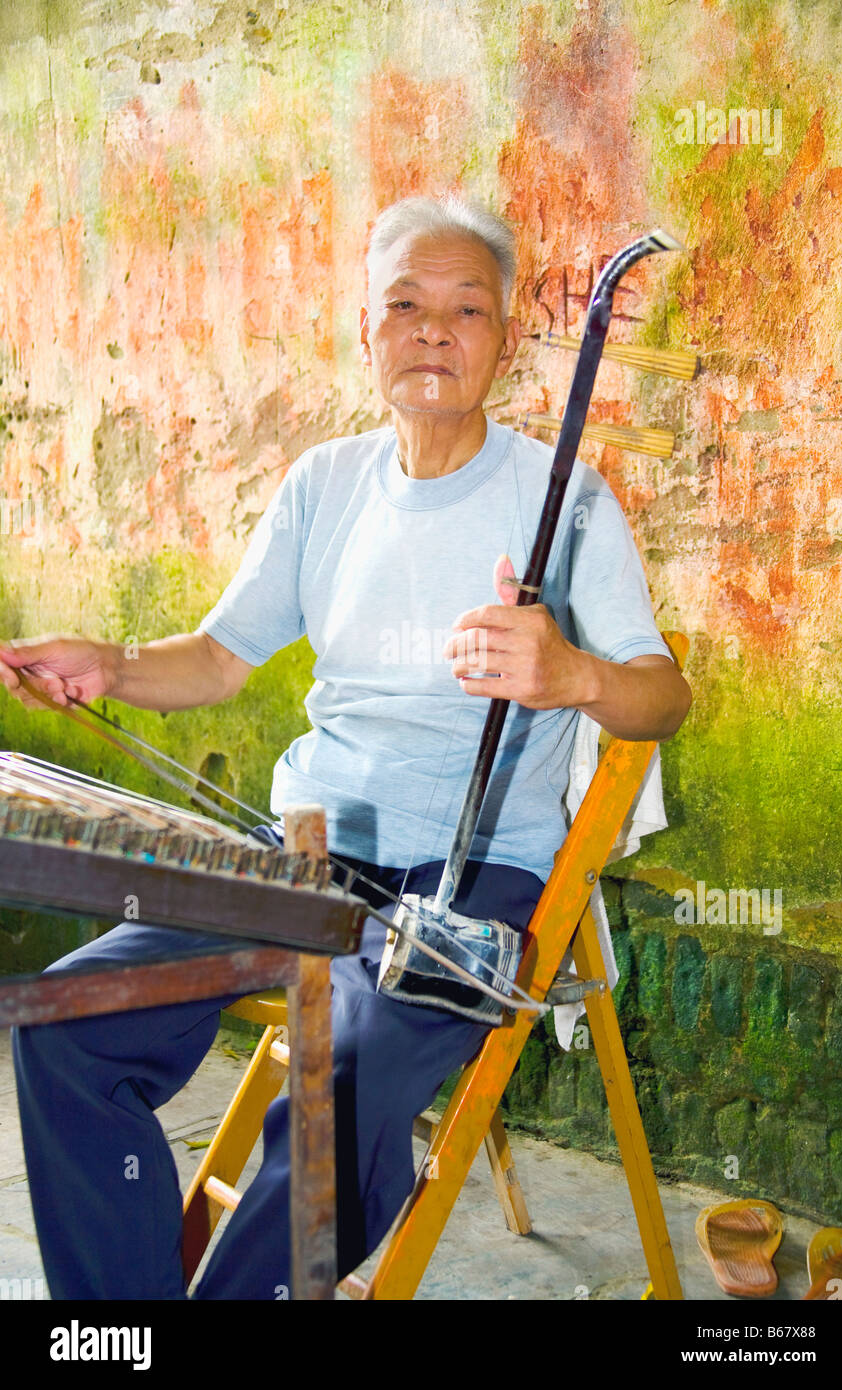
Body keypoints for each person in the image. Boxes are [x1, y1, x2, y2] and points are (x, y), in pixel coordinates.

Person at [0, 193, 691, 1299]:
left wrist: (575, 676)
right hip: (300, 862)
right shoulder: (324, 484)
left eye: (465, 309)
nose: (432, 330)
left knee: (342, 1086)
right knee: (65, 1029)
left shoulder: (562, 503)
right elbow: (221, 658)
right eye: (405, 305)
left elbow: (662, 696)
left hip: (466, 886)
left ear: (503, 340)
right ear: (363, 328)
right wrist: (114, 665)